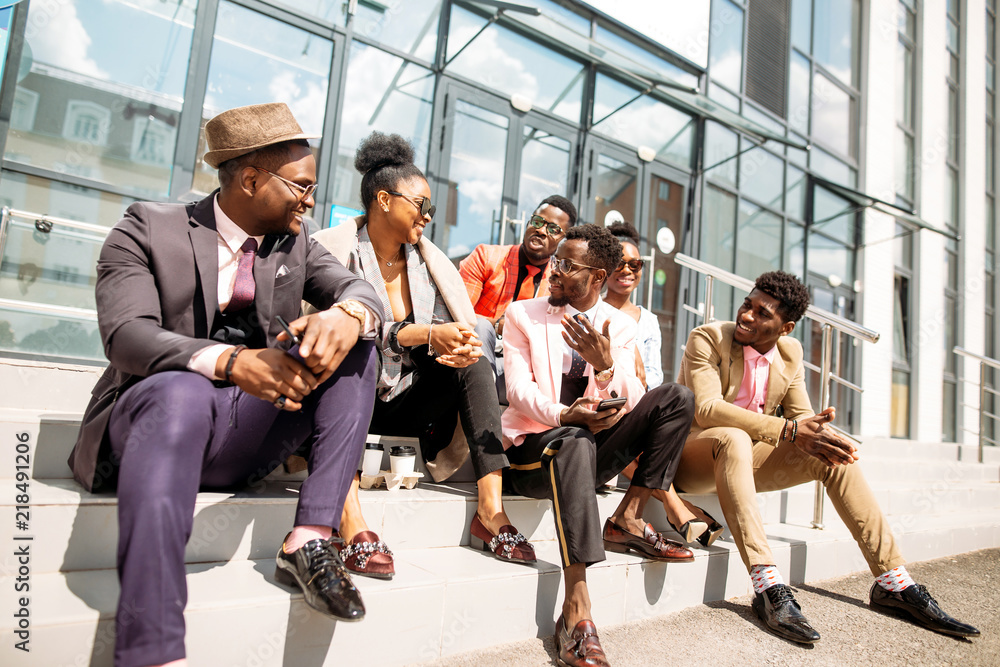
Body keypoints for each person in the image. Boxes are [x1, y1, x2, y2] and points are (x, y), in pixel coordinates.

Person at [66, 103, 384, 667]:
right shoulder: (145, 227)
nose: (311, 200)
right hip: (152, 423)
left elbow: (359, 288)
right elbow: (127, 338)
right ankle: (150, 650)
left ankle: (309, 538)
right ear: (252, 178)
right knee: (180, 390)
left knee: (357, 344)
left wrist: (347, 315)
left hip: (242, 431)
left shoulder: (296, 242)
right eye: (302, 186)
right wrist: (233, 362)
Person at [675, 270, 981, 644]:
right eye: (747, 304)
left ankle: (893, 582)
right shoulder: (708, 337)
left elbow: (801, 415)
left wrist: (816, 430)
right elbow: (706, 409)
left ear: (785, 328)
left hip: (745, 459)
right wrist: (789, 430)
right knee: (735, 437)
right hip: (693, 456)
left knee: (835, 454)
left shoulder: (790, 353)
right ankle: (768, 585)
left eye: (762, 313)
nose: (747, 315)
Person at [312, 132, 535, 577]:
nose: (428, 216)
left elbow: (447, 330)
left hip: (409, 406)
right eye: (421, 205)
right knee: (356, 348)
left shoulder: (430, 264)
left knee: (474, 357)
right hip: (344, 402)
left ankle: (490, 511)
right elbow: (326, 333)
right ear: (383, 199)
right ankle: (347, 515)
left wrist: (455, 344)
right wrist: (423, 334)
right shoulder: (332, 252)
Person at [501, 224, 696, 667]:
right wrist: (565, 414)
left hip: (589, 451)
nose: (554, 270)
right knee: (573, 440)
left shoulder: (621, 326)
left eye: (568, 265)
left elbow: (631, 396)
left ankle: (629, 513)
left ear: (598, 276)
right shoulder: (522, 315)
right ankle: (577, 606)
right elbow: (517, 391)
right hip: (535, 452)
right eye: (556, 260)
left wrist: (605, 366)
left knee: (676, 398)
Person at [606, 222, 723, 547]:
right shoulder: (590, 309)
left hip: (637, 404)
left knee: (670, 405)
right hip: (607, 403)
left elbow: (654, 375)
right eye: (619, 263)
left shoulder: (649, 319)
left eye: (635, 264)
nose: (627, 270)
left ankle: (665, 509)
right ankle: (679, 506)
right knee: (643, 429)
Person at [459, 195, 576, 400]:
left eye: (554, 229)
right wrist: (498, 325)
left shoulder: (561, 283)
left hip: (526, 372)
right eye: (538, 221)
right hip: (477, 358)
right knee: (480, 326)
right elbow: (456, 315)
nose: (541, 230)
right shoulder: (485, 257)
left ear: (563, 240)